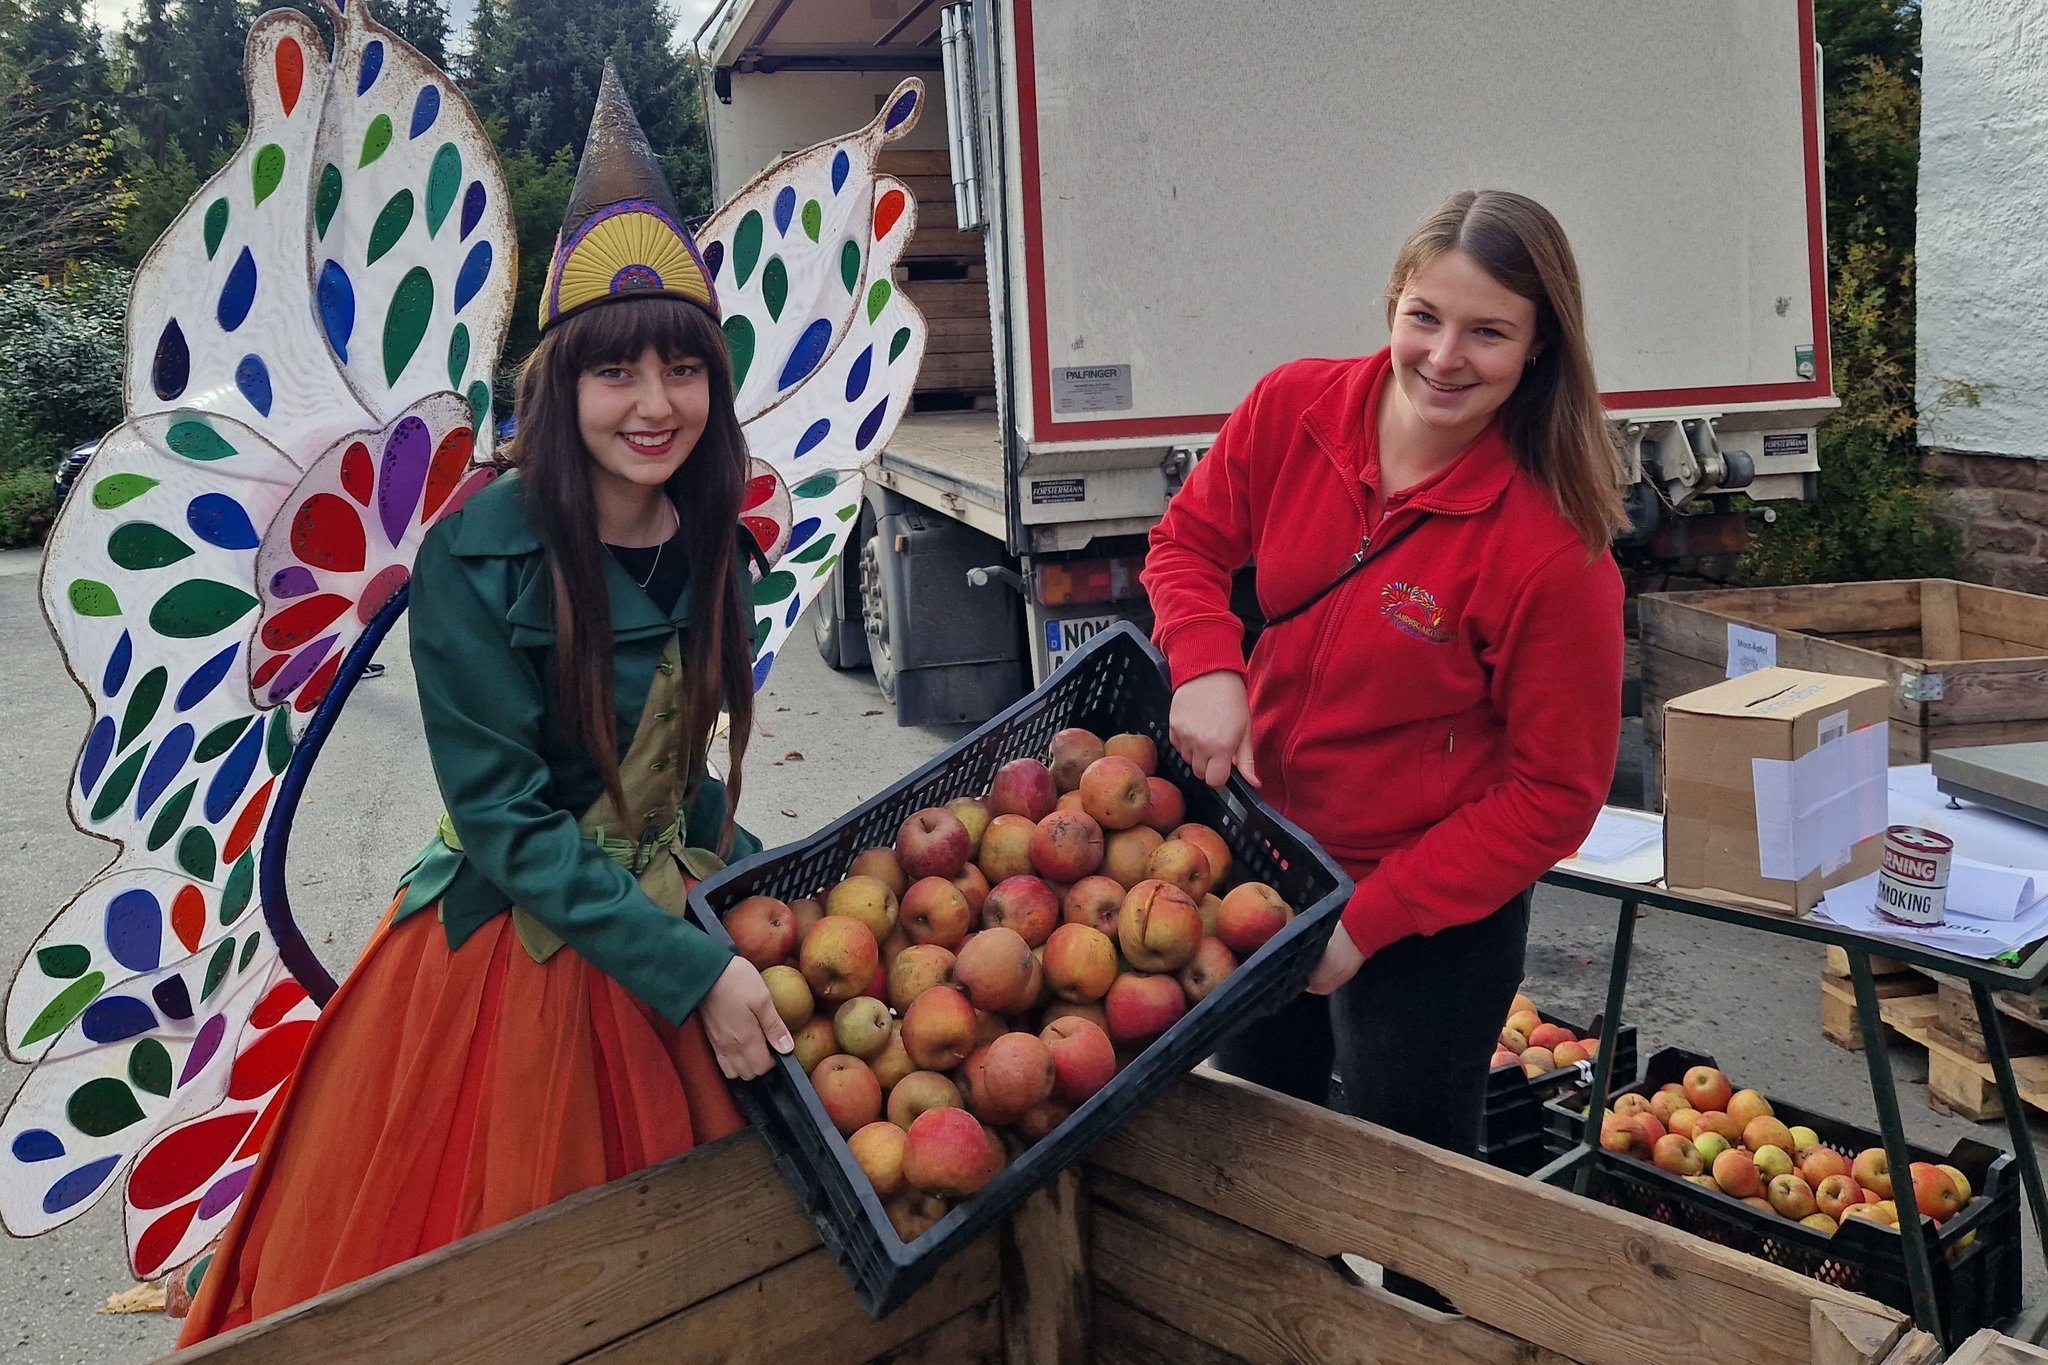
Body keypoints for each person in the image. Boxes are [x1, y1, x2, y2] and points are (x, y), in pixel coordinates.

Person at [177, 70, 789, 1342]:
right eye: (617, 375)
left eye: (684, 369)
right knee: (509, 1300)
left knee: (716, 1289)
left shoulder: (718, 537)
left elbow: (678, 775)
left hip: (673, 932)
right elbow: (506, 821)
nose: (655, 405)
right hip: (510, 961)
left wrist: (764, 875)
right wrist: (696, 970)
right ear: (561, 384)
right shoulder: (473, 552)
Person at [1141, 189, 1626, 1306]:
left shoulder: (1551, 550)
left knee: (1416, 1196)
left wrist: (1369, 921)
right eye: (1423, 316)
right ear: (1391, 304)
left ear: (1539, 343)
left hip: (1424, 905)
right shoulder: (1294, 408)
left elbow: (1554, 793)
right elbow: (1189, 542)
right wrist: (1208, 663)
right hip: (1262, 862)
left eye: (1487, 331)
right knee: (1259, 1150)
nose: (1443, 357)